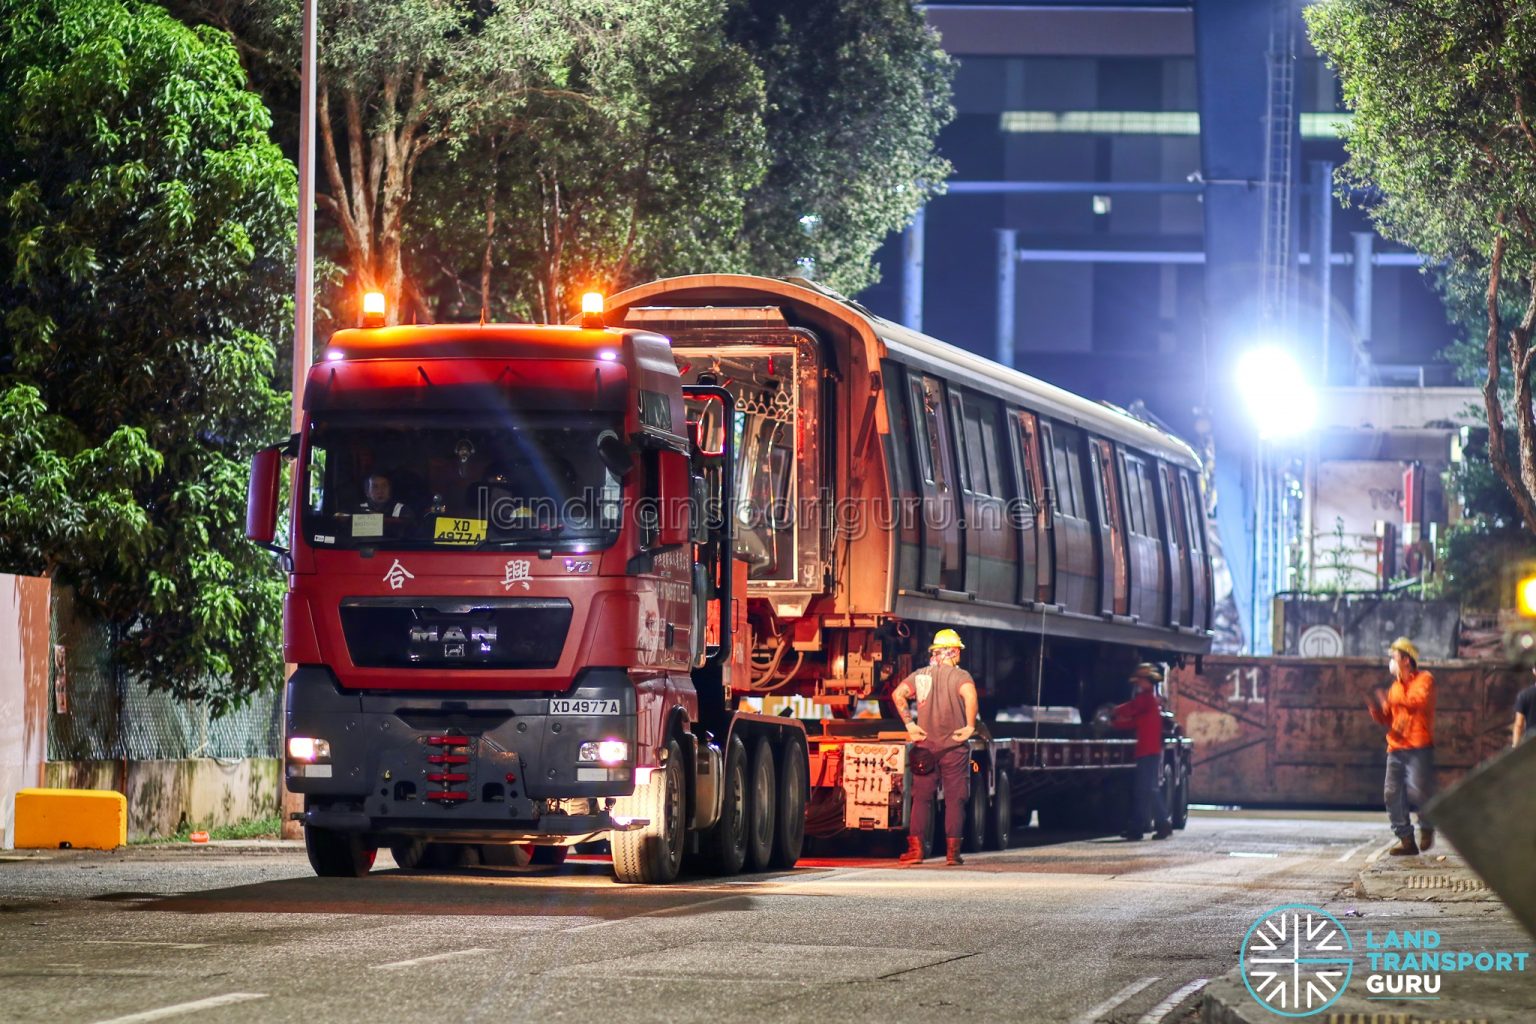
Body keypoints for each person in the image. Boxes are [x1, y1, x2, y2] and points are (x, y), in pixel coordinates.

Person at [892, 629, 978, 867]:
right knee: (955, 799)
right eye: (958, 650)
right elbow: (970, 695)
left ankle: (916, 851)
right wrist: (970, 726)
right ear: (952, 652)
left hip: (925, 750)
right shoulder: (961, 677)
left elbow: (898, 694)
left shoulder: (920, 676)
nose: (959, 654)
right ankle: (953, 853)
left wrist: (910, 724)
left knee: (921, 799)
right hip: (953, 748)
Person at [1367, 636, 1436, 856]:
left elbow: (1419, 701)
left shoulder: (1425, 679)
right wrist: (1377, 710)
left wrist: (1392, 701)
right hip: (1396, 747)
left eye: (1394, 657)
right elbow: (1389, 719)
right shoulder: (1394, 687)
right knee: (1391, 793)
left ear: (1406, 659)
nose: (1391, 661)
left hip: (1418, 747)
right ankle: (1406, 839)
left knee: (1418, 790)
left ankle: (1427, 826)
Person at [1112, 664, 1174, 841]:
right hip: (1147, 750)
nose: (1138, 682)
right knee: (1143, 790)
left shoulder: (1146, 699)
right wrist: (1115, 724)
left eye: (1141, 679)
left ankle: (1163, 823)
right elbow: (1135, 722)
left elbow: (1131, 708)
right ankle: (1137, 827)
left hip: (1148, 751)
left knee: (1149, 789)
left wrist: (1114, 711)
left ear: (1148, 681)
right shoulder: (1149, 702)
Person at [1512, 666, 1536, 747]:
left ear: (1534, 670)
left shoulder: (1524, 695)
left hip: (1531, 746)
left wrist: (1515, 748)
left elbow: (1519, 725)